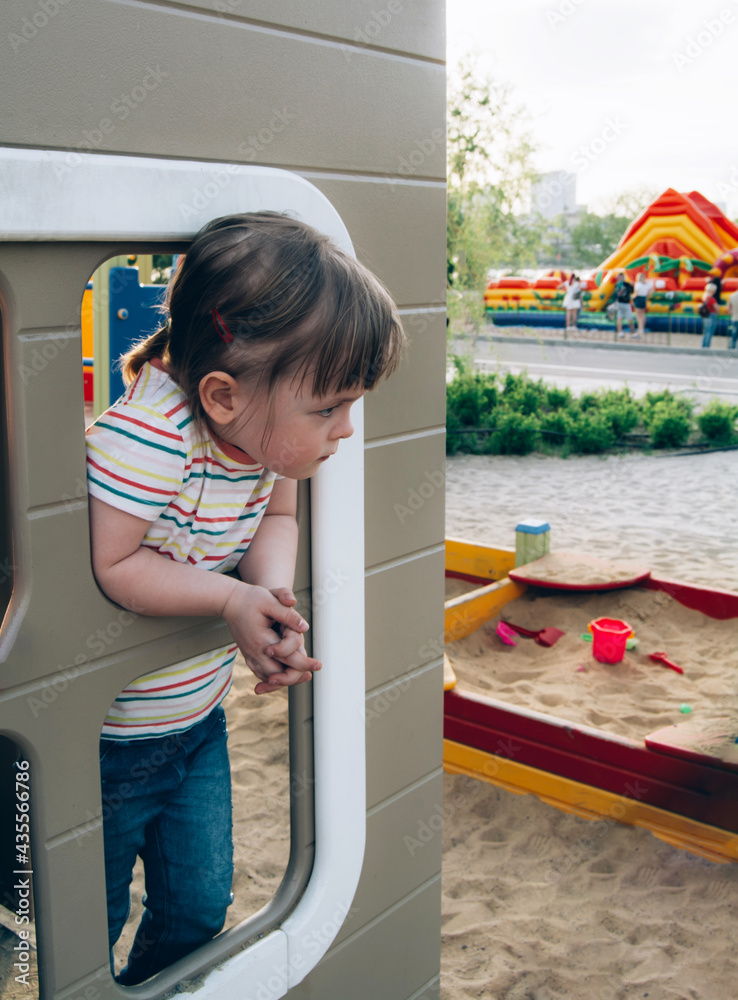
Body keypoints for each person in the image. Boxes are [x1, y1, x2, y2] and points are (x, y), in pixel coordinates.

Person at [86, 212, 405, 985]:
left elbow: (280, 516)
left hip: (195, 723)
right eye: (328, 408)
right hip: (104, 743)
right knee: (86, 913)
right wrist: (229, 603)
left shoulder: (260, 439)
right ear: (224, 395)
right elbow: (111, 562)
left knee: (198, 910)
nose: (347, 430)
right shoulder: (154, 437)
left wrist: (266, 596)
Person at [613, 272, 635, 338]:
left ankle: (620, 332)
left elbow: (615, 295)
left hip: (619, 303)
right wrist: (632, 285)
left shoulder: (617, 285)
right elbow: (631, 291)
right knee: (629, 318)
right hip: (625, 303)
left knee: (619, 318)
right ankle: (632, 332)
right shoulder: (626, 284)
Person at [632, 270, 653, 339]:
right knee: (643, 315)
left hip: (638, 298)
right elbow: (652, 289)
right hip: (644, 298)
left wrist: (632, 297)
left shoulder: (638, 284)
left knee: (638, 315)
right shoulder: (647, 284)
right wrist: (647, 295)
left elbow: (636, 293)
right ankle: (642, 329)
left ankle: (639, 328)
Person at [700, 281, 719, 348]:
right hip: (711, 316)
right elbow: (716, 308)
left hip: (705, 315)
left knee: (706, 331)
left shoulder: (704, 297)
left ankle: (703, 345)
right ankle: (707, 346)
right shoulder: (712, 299)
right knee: (710, 332)